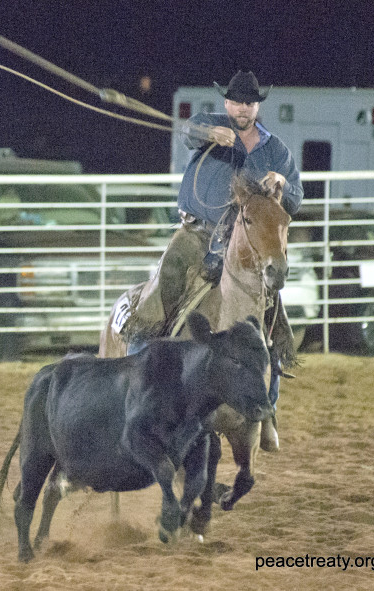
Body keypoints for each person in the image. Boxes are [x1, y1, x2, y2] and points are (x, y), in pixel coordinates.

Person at [123, 70, 303, 452]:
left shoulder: (276, 151)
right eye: (236, 102)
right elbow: (188, 131)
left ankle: (267, 406)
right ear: (227, 103)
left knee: (271, 314)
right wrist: (210, 135)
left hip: (244, 245)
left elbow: (297, 196)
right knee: (166, 283)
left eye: (249, 102)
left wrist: (283, 188)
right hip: (197, 233)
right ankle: (133, 373)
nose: (242, 108)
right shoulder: (212, 125)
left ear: (257, 106)